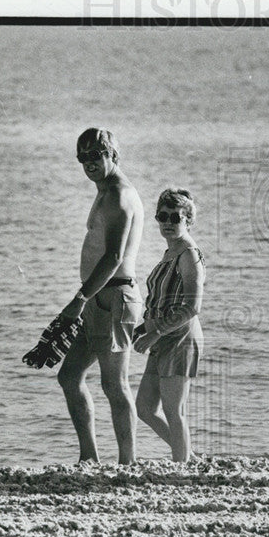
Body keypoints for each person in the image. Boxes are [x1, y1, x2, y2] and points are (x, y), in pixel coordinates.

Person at [56, 128, 145, 464]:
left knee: (114, 383)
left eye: (97, 154)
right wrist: (86, 299)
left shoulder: (119, 195)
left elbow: (114, 257)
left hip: (115, 297)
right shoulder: (105, 191)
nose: (89, 162)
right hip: (98, 299)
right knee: (69, 376)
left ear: (113, 154)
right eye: (83, 157)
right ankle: (89, 457)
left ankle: (128, 463)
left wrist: (80, 298)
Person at [133, 188, 205, 462]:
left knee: (174, 410)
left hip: (179, 338)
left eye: (175, 217)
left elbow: (192, 306)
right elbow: (162, 299)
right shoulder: (170, 252)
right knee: (144, 408)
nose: (167, 222)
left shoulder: (189, 254)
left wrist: (156, 332)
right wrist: (144, 329)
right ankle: (188, 456)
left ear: (188, 220)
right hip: (160, 337)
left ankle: (182, 466)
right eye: (162, 216)